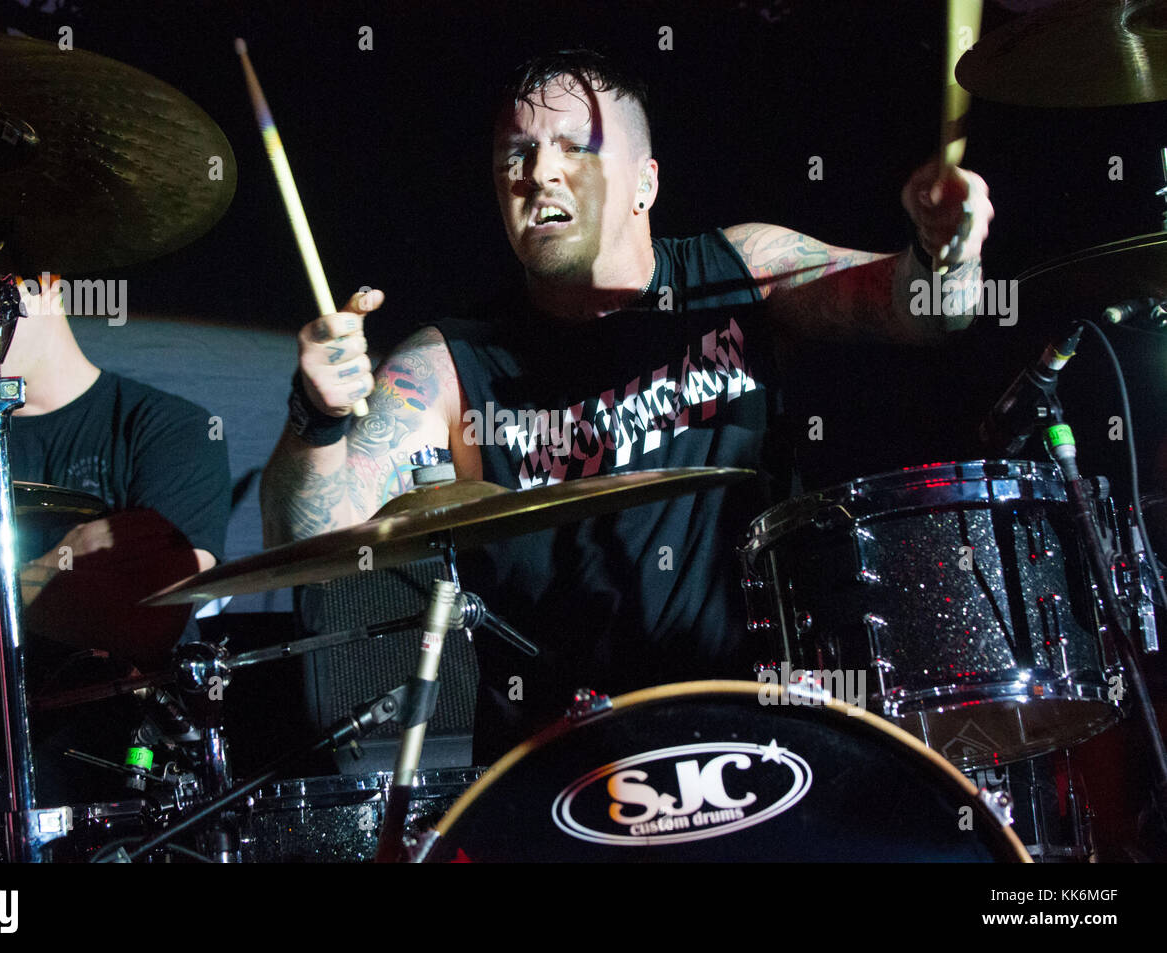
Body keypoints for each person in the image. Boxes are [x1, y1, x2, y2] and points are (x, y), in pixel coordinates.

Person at [259, 49, 994, 762]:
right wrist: (317, 415)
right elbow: (313, 540)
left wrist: (947, 254)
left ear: (644, 185)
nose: (538, 172)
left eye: (575, 146)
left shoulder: (739, 272)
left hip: (763, 734)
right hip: (563, 775)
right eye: (516, 154)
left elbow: (926, 312)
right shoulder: (447, 362)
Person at [0, 271, 230, 802]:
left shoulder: (167, 430)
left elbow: (150, 616)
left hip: (123, 783)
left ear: (48, 287)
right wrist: (59, 588)